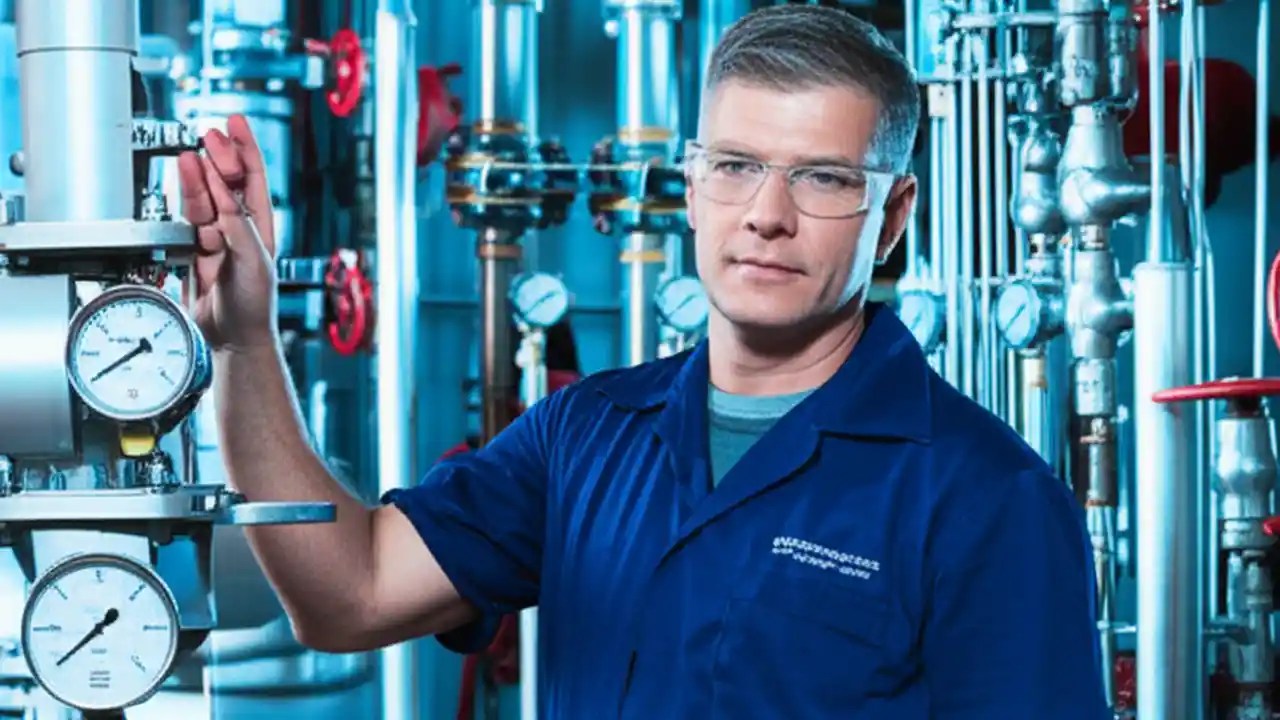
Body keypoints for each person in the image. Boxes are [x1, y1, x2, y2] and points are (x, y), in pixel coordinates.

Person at [177, 5, 1108, 718]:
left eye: (823, 178)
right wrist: (244, 340)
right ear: (695, 187)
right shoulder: (587, 436)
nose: (766, 214)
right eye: (736, 166)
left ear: (893, 216)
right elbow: (349, 593)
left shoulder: (990, 500)